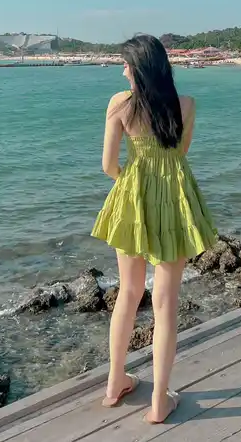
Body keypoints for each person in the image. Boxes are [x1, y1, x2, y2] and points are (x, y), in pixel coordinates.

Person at [91, 34, 216, 424]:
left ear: (140, 69)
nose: (122, 71)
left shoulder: (120, 104)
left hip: (133, 200)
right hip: (175, 202)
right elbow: (180, 154)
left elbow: (108, 166)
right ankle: (160, 402)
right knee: (165, 303)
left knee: (128, 293)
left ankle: (115, 383)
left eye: (126, 65)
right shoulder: (186, 105)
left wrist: (132, 186)